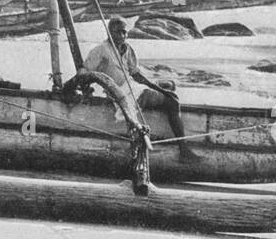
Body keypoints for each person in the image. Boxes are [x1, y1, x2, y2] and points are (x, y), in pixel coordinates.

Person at [81, 17, 202, 162]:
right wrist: (85, 88)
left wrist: (155, 87)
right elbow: (84, 72)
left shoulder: (127, 49)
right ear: (109, 32)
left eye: (124, 32)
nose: (121, 36)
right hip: (118, 92)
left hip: (133, 87)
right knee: (161, 102)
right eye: (117, 32)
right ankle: (142, 151)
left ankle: (183, 149)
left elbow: (135, 74)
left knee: (172, 98)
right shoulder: (100, 50)